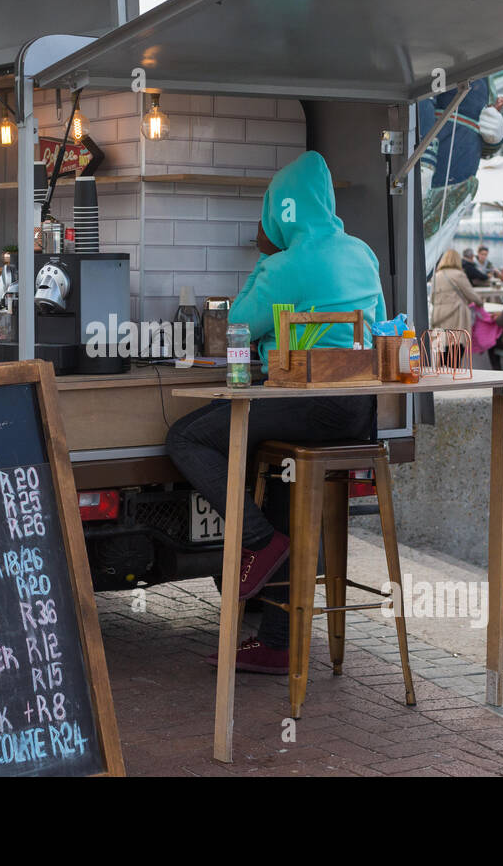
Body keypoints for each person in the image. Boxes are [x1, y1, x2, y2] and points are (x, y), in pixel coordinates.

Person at [165, 151, 386, 674]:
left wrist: (265, 261)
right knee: (287, 494)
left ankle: (259, 542)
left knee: (187, 439)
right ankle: (278, 642)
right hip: (359, 409)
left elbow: (230, 328)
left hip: (309, 403)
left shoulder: (286, 265)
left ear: (278, 212)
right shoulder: (362, 251)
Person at [431, 249, 486, 331]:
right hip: (455, 315)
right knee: (455, 341)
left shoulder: (436, 276)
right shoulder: (459, 275)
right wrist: (480, 302)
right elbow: (470, 294)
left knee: (441, 341)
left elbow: (432, 298)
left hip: (438, 315)